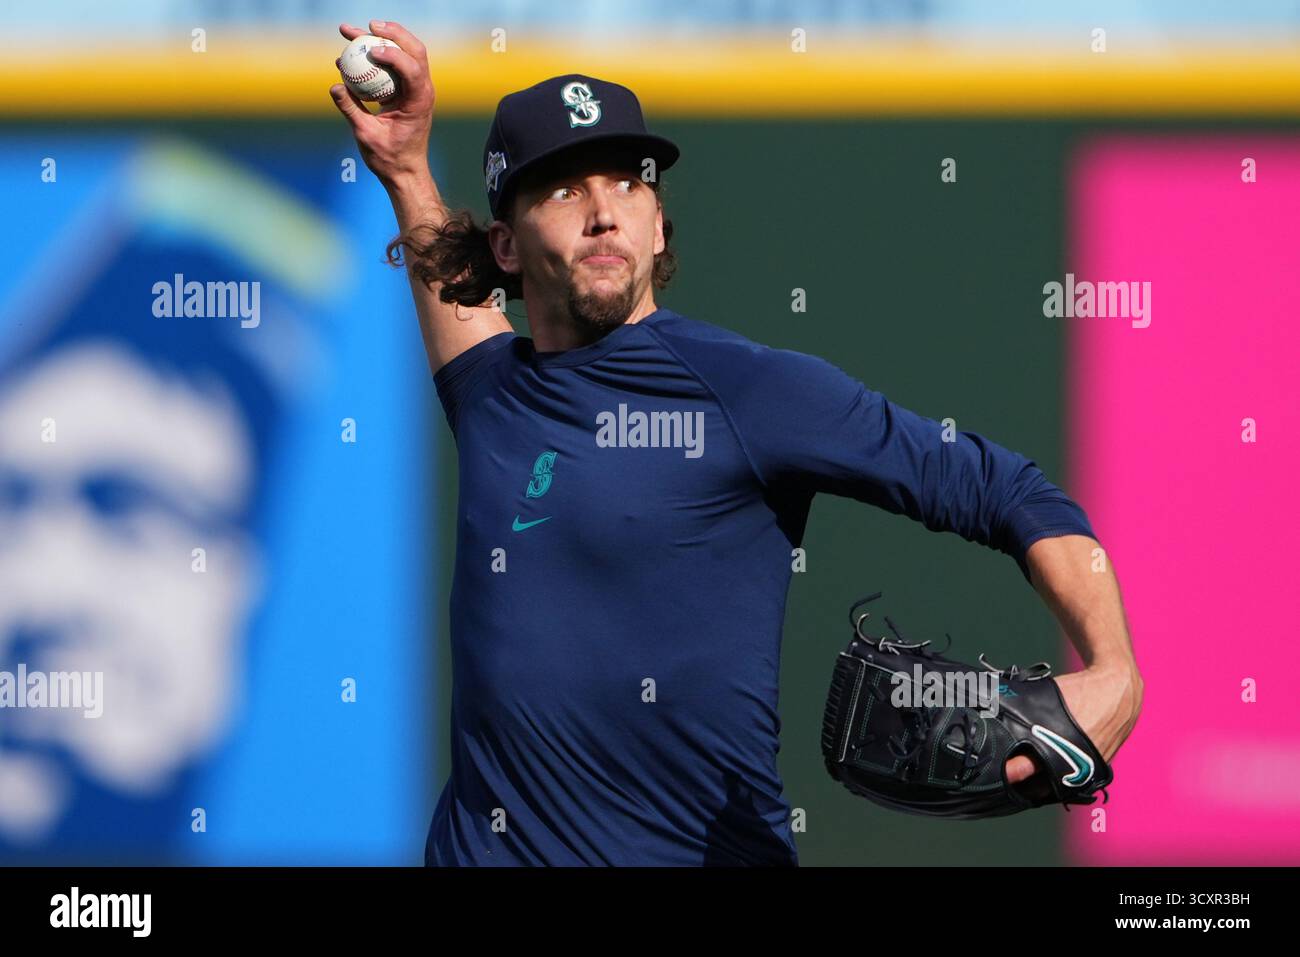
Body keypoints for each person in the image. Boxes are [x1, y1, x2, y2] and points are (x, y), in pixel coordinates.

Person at [330, 19, 1144, 866]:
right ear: (506, 244)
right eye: (566, 190)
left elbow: (1008, 490)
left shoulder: (749, 391)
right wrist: (405, 166)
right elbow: (452, 294)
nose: (605, 211)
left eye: (628, 184)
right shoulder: (494, 391)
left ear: (656, 225)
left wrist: (1114, 666)